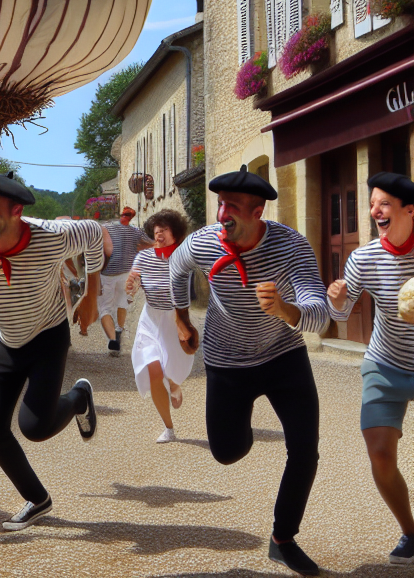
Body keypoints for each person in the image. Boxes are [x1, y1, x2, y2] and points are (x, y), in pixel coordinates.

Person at [171, 165, 328, 577]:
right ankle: (241, 425)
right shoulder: (203, 243)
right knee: (226, 452)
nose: (223, 214)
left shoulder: (290, 246)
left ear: (258, 212)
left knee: (304, 451)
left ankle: (283, 539)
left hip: (283, 356)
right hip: (227, 361)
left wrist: (284, 308)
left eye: (235, 207)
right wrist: (182, 319)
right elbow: (176, 267)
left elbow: (320, 313)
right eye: (221, 204)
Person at [0, 171, 104, 531]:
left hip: (48, 335)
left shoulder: (53, 236)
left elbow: (93, 232)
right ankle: (37, 499)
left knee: (35, 427)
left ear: (16, 212)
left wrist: (90, 293)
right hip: (8, 341)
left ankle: (78, 397)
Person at [327, 171, 414, 565]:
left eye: (384, 204)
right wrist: (337, 298)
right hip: (385, 362)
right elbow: (341, 315)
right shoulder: (363, 256)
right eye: (373, 203)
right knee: (379, 452)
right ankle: (411, 533)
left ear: (408, 210)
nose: (375, 211)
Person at [126, 208, 193, 443]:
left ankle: (174, 384)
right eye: (156, 230)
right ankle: (169, 428)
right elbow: (133, 278)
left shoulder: (183, 257)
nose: (159, 234)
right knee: (153, 369)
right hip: (150, 320)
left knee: (172, 369)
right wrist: (131, 284)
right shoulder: (144, 257)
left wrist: (182, 323)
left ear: (175, 233)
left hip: (174, 319)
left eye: (164, 230)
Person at [100, 206, 150, 356]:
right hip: (126, 273)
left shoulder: (106, 227)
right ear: (132, 217)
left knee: (105, 308)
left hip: (107, 273)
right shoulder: (136, 231)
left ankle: (113, 340)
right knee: (122, 304)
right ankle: (118, 331)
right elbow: (151, 244)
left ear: (119, 214)